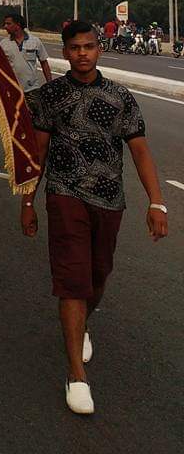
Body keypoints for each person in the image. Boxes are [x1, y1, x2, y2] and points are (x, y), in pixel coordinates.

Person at [21, 20, 168, 415]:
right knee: (72, 281)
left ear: (99, 49)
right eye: (74, 48)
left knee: (97, 276)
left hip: (109, 200)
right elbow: (38, 152)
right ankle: (75, 375)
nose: (82, 53)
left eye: (88, 46)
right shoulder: (50, 97)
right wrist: (27, 202)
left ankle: (83, 323)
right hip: (64, 195)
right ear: (65, 52)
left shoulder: (121, 98)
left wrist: (157, 202)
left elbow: (139, 150)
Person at [0, 13, 52, 92]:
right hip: (11, 89)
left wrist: (50, 84)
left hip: (32, 89)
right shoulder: (3, 43)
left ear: (18, 24)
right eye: (5, 24)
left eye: (8, 24)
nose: (5, 26)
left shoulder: (35, 41)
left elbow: (44, 63)